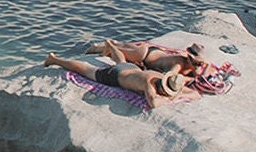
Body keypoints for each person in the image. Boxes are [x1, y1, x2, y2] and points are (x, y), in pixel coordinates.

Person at [43, 53, 189, 109]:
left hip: (131, 68)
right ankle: (54, 59)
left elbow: (193, 93)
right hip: (115, 76)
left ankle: (111, 46)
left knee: (121, 61)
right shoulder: (149, 85)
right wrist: (173, 96)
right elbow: (154, 103)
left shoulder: (156, 75)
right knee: (85, 70)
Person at [88, 39, 207, 78]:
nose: (199, 67)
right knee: (115, 51)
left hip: (153, 51)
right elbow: (169, 76)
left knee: (124, 47)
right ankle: (103, 47)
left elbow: (200, 74)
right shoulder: (179, 64)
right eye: (197, 64)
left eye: (200, 64)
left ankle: (107, 44)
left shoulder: (191, 65)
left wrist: (203, 68)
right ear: (189, 59)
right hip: (145, 55)